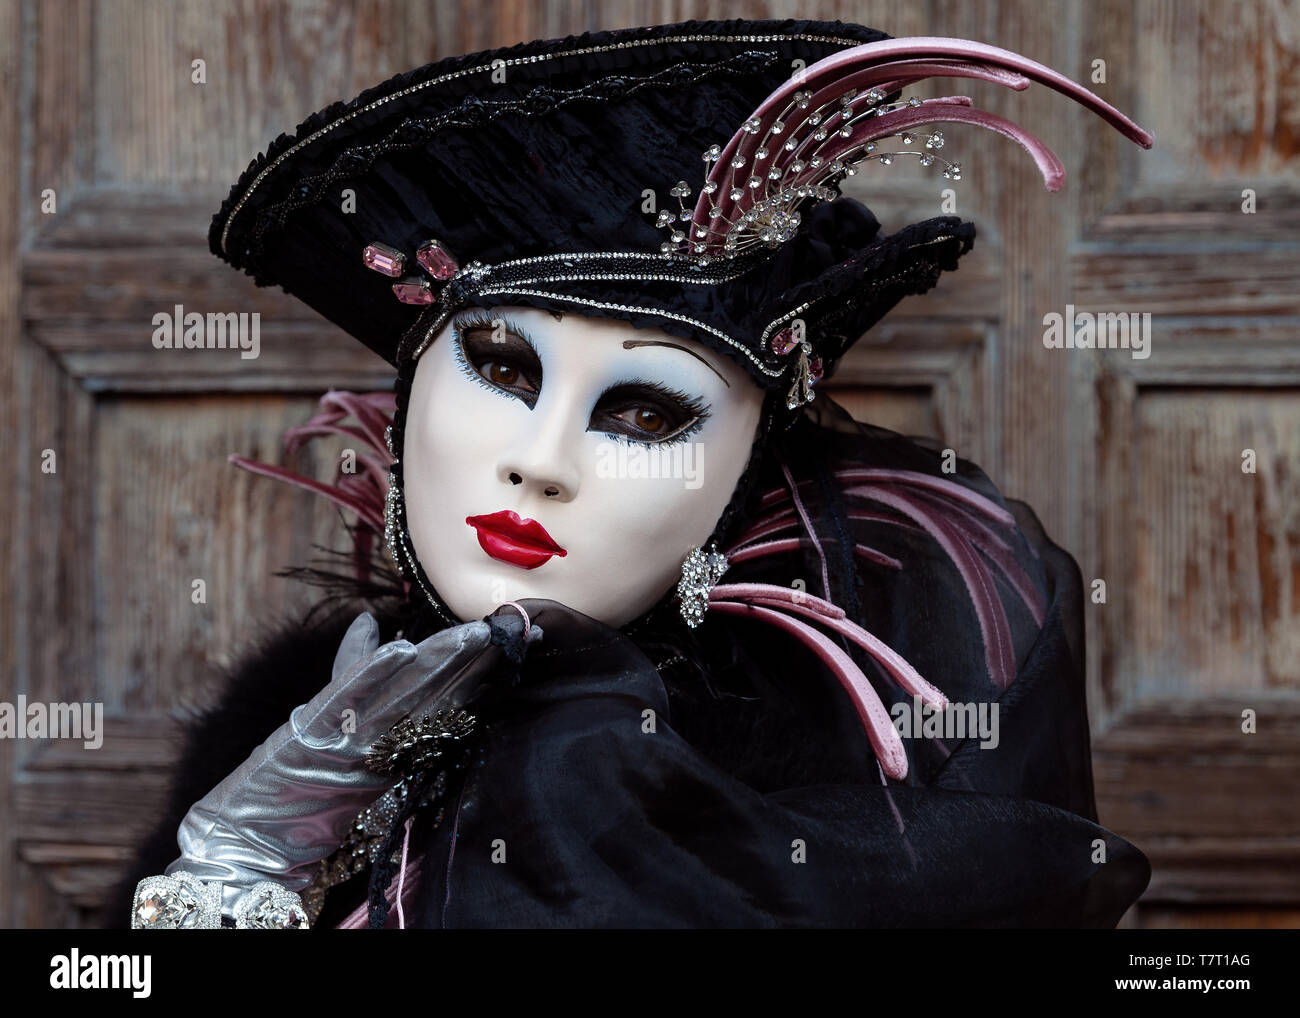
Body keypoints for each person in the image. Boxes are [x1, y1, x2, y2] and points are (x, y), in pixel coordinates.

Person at [113, 17, 1154, 929]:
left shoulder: (834, 801)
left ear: (747, 463)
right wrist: (240, 870)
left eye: (648, 411)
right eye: (503, 366)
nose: (540, 460)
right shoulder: (304, 722)